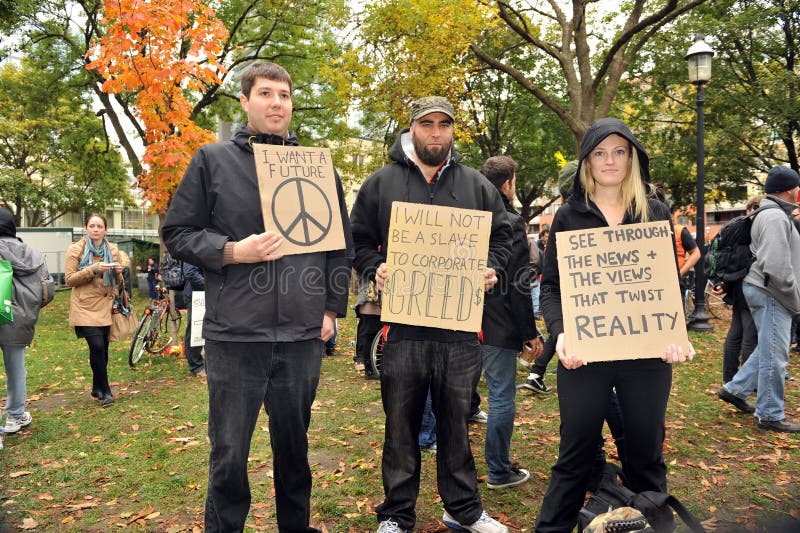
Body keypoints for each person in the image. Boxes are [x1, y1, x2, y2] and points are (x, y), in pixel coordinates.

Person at [162, 61, 353, 532]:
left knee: (295, 451)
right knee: (229, 453)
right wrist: (230, 251)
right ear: (244, 102)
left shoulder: (318, 167)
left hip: (301, 335)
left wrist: (330, 308)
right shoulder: (211, 160)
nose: (276, 103)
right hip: (235, 334)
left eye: (284, 95)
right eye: (265, 93)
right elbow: (178, 232)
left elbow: (340, 248)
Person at [350, 95, 513, 533]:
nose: (435, 133)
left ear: (452, 131)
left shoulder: (477, 185)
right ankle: (397, 515)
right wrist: (373, 267)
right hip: (402, 328)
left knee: (456, 425)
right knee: (400, 427)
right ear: (412, 128)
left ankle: (463, 510)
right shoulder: (380, 184)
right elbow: (358, 239)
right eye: (427, 124)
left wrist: (491, 268)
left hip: (459, 332)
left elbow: (504, 237)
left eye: (444, 125)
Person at [534, 118, 694, 533]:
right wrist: (562, 332)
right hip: (585, 356)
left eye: (619, 151)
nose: (610, 160)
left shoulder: (654, 212)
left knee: (646, 456)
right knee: (575, 456)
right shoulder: (568, 216)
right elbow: (550, 289)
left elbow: (665, 284)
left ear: (632, 158)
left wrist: (675, 334)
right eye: (600, 152)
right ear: (587, 161)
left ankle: (652, 526)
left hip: (646, 357)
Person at [717, 166, 800, 433]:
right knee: (776, 355)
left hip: (763, 288)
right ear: (790, 191)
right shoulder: (775, 217)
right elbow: (775, 266)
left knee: (768, 346)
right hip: (771, 290)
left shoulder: (767, 213)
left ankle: (736, 389)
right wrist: (793, 296)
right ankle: (770, 413)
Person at [479, 155, 544, 490]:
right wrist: (530, 333)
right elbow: (518, 283)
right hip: (497, 322)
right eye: (515, 181)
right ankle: (498, 470)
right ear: (506, 185)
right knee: (501, 394)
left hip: (461, 320)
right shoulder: (509, 220)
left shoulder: (468, 213)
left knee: (456, 395)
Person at [65, 213, 125, 407]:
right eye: (92, 226)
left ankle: (96, 386)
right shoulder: (76, 249)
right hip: (85, 306)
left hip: (106, 305)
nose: (96, 229)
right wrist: (94, 269)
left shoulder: (113, 250)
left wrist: (118, 273)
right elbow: (69, 279)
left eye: (100, 226)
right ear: (86, 228)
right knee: (97, 346)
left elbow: (119, 282)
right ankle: (106, 391)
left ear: (105, 229)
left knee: (103, 349)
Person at [0, 209, 50, 443]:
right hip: (20, 320)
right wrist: (29, 308)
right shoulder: (32, 253)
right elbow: (47, 290)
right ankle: (15, 416)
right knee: (16, 369)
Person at [715, 196, 761, 382]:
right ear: (751, 209)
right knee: (749, 337)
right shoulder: (749, 230)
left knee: (736, 334)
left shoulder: (735, 227)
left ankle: (730, 377)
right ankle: (745, 382)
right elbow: (744, 261)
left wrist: (724, 282)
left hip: (737, 287)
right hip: (749, 286)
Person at [181, 261, 205, 377]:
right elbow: (190, 272)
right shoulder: (195, 245)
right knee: (195, 331)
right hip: (196, 295)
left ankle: (204, 364)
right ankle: (196, 366)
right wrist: (210, 286)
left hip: (206, 293)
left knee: (205, 329)